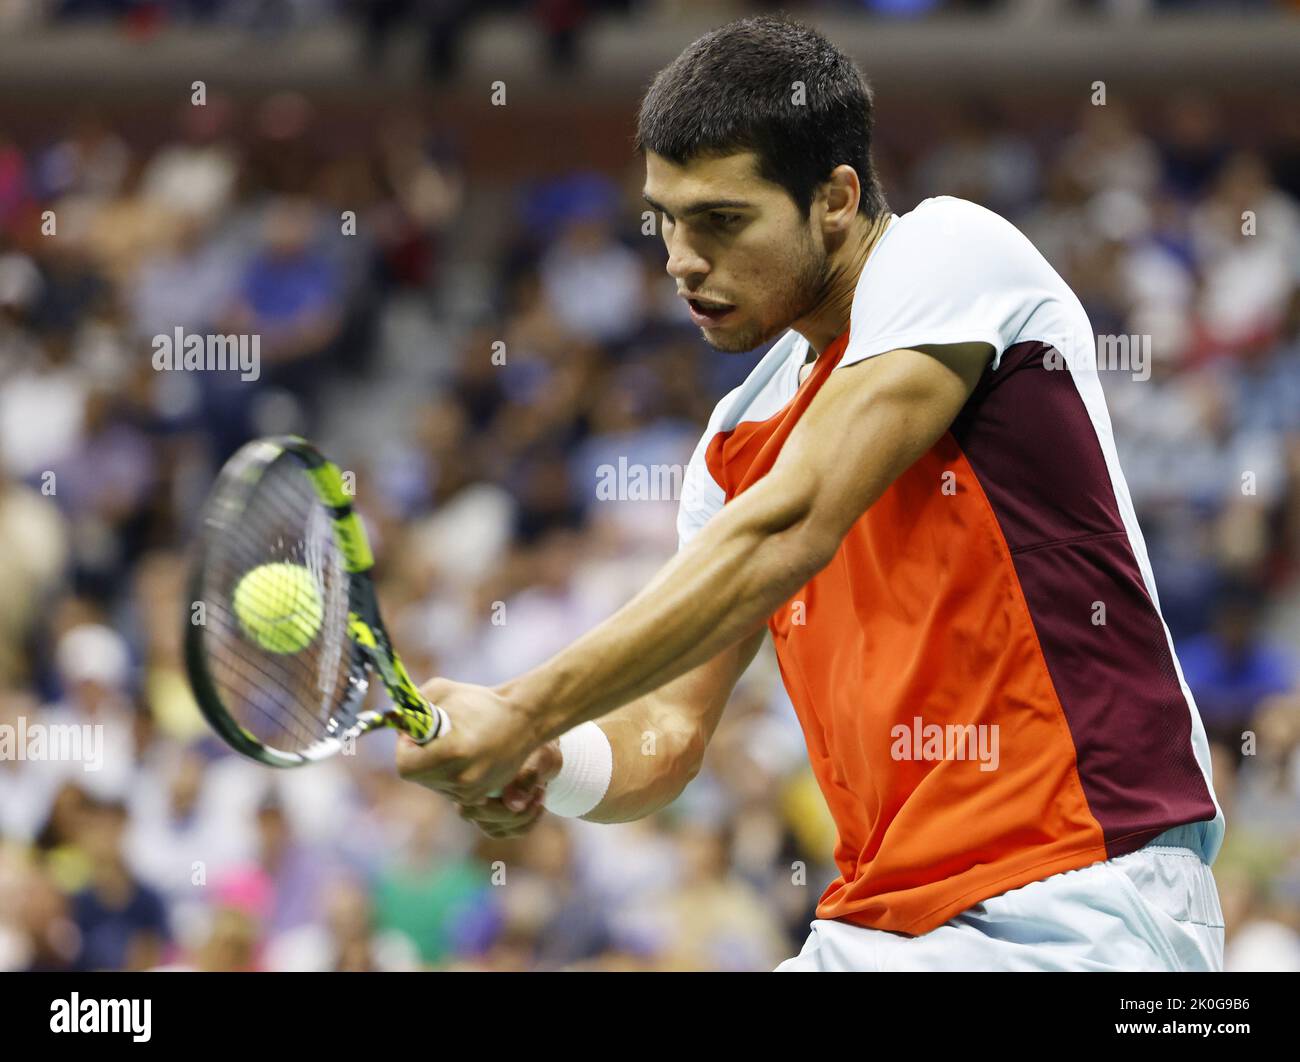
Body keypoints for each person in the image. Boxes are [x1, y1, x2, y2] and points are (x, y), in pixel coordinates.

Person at [396, 15, 1226, 972]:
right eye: (666, 219)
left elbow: (793, 524)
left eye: (721, 220)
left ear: (835, 198)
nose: (680, 258)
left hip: (1080, 900)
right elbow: (665, 737)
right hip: (879, 930)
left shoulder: (952, 257)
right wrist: (552, 759)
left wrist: (528, 705)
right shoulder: (730, 449)